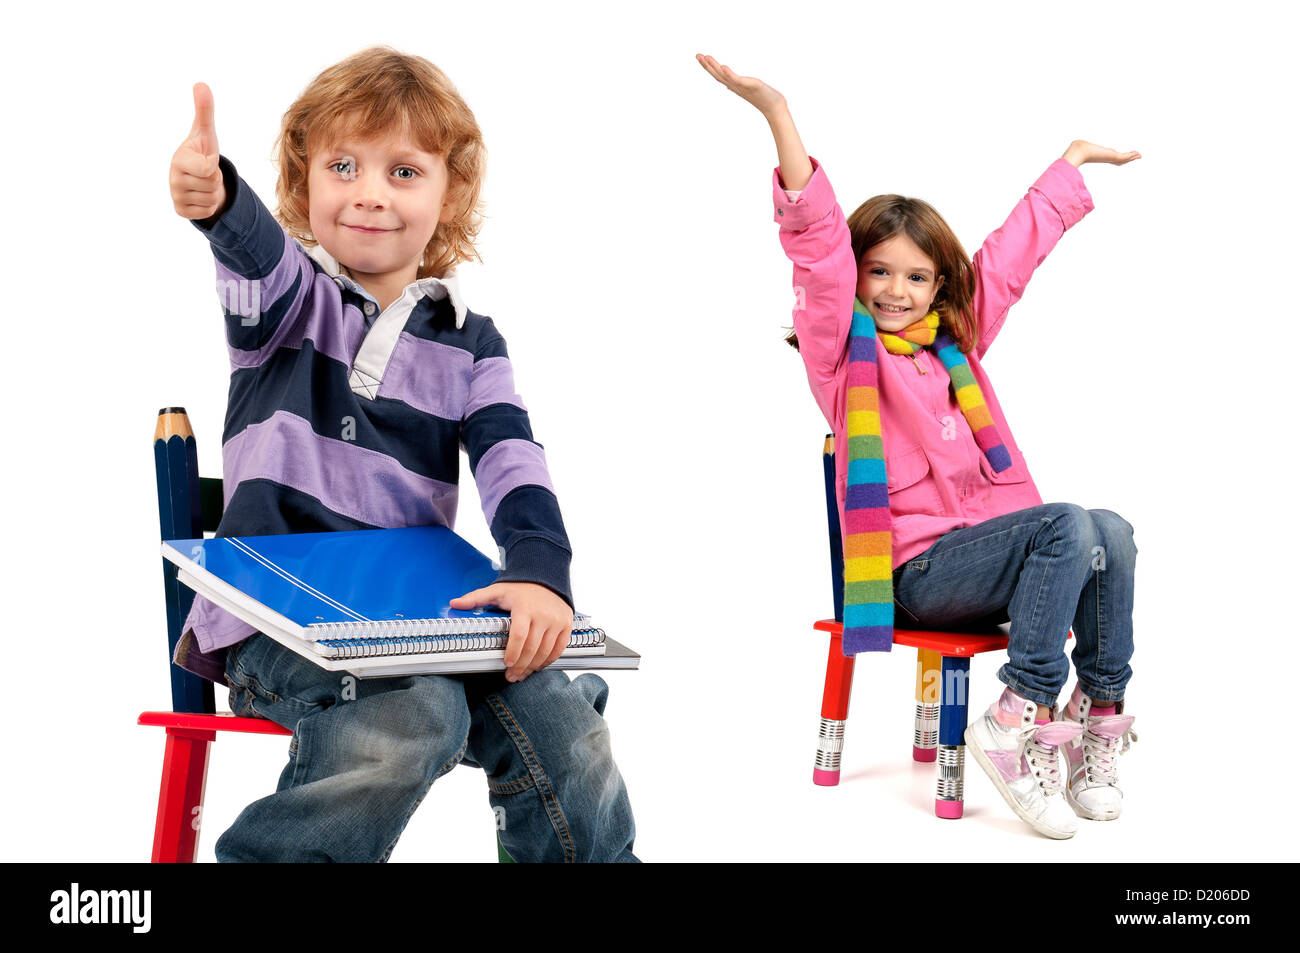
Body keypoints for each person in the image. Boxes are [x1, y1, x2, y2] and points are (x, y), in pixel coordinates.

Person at [167, 46, 637, 862]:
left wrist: (537, 572)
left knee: (563, 716)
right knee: (415, 711)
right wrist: (219, 204)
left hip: (417, 625)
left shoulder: (471, 342)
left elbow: (512, 461)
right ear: (303, 181)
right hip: (273, 625)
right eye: (342, 165)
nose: (369, 193)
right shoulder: (289, 301)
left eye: (404, 172)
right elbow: (252, 252)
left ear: (449, 191)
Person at [699, 53, 1139, 840]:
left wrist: (1066, 167)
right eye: (880, 272)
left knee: (1110, 528)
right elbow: (818, 251)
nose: (897, 291)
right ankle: (1018, 713)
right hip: (916, 573)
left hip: (990, 558)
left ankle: (1096, 717)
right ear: (858, 276)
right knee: (1066, 521)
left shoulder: (954, 350)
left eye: (918, 277)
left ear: (941, 290)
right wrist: (778, 114)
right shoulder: (840, 356)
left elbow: (1005, 264)